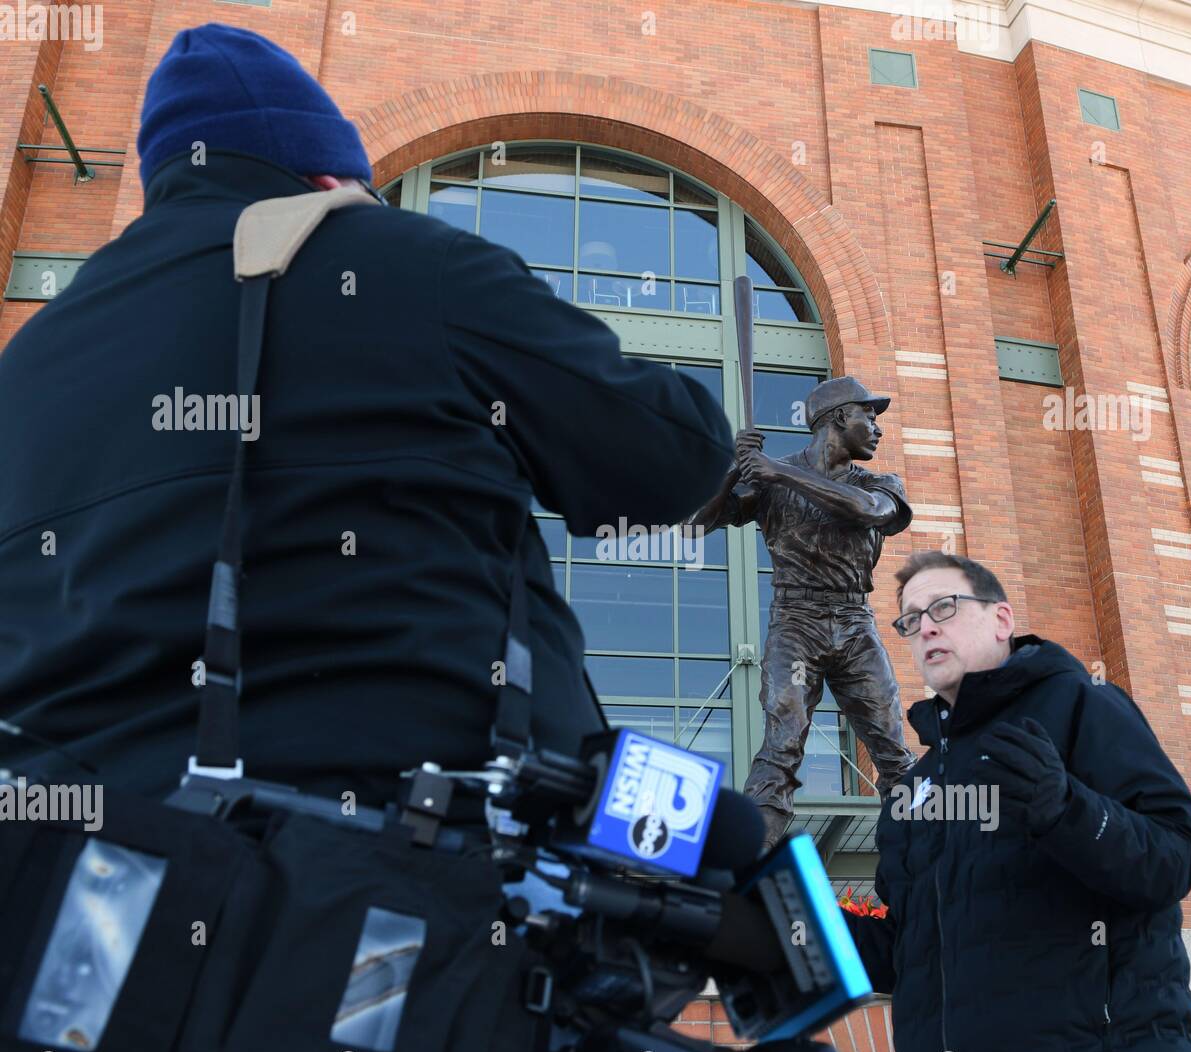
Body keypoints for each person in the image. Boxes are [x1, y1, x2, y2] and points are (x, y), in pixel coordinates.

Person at [0, 23, 734, 804]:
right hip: (410, 855)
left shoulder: (28, 359)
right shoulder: (411, 262)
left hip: (85, 878)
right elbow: (675, 458)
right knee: (740, 871)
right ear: (328, 179)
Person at [843, 550, 1191, 1052]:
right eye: (910, 619)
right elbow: (905, 953)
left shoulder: (1081, 703)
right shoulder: (915, 787)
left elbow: (1173, 858)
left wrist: (1066, 810)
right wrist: (794, 923)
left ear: (1002, 620)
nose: (925, 628)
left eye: (943, 607)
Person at [689, 376, 915, 851]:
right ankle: (748, 866)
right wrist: (734, 471)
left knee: (895, 756)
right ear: (837, 418)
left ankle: (929, 863)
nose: (877, 429)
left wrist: (776, 472)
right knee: (782, 746)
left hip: (854, 623)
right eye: (867, 417)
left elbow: (869, 511)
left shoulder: (877, 482)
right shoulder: (770, 479)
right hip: (795, 622)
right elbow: (694, 527)